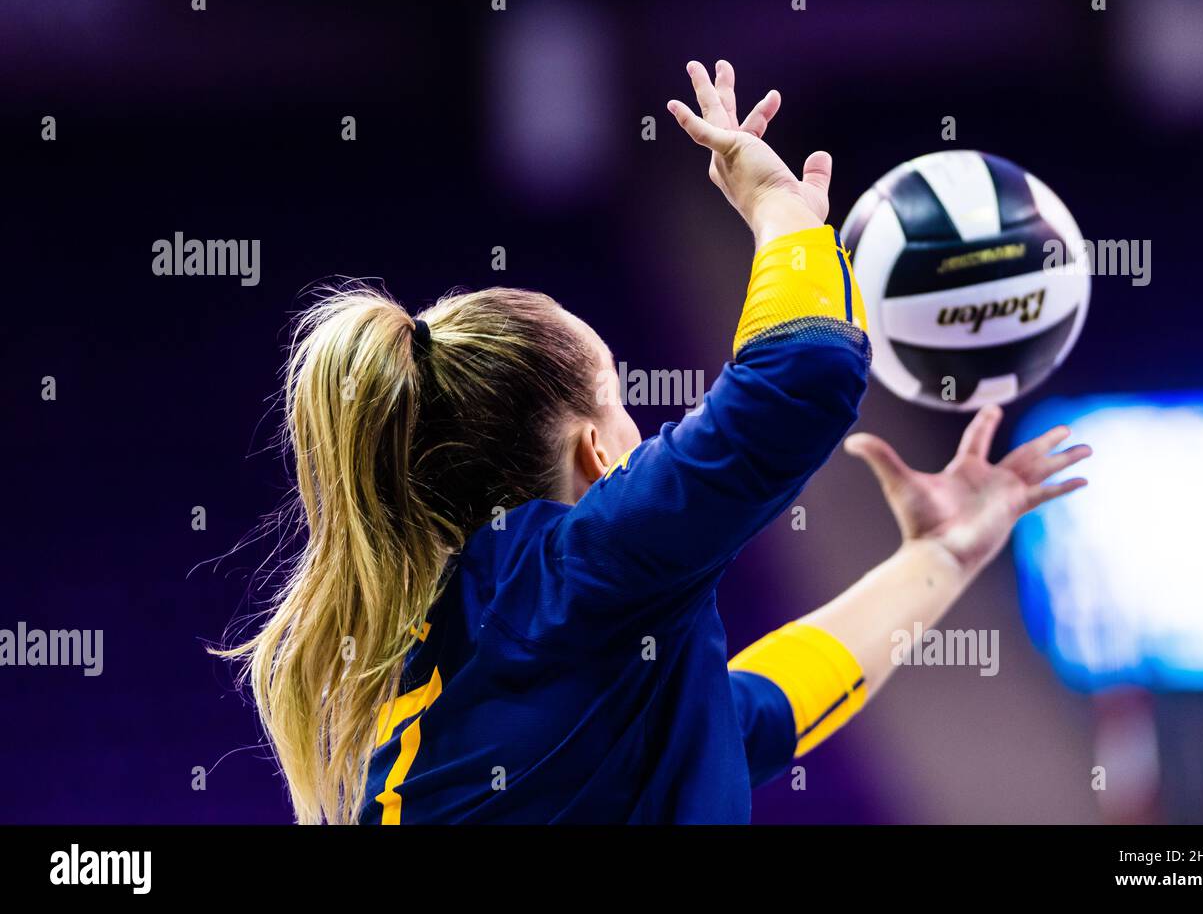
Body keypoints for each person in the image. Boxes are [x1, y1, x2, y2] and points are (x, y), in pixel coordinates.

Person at [222, 60, 1090, 824]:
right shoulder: (568, 574)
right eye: (622, 399)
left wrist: (940, 555)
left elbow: (748, 720)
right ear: (595, 454)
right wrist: (779, 208)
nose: (646, 432)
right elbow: (801, 385)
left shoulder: (506, 627)